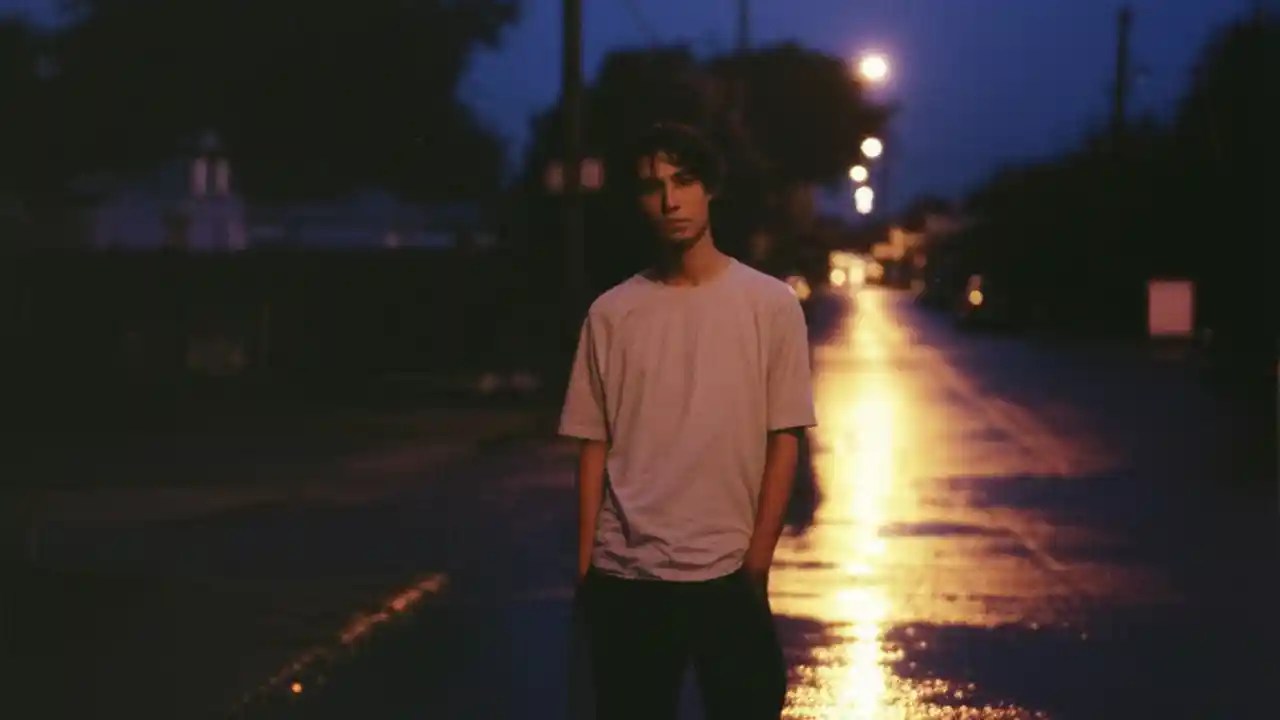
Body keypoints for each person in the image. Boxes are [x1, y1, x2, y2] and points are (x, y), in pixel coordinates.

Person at [559, 122, 817, 720]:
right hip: (626, 576)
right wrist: (586, 574)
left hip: (727, 575)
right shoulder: (612, 312)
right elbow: (593, 446)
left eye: (685, 180)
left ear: (710, 189)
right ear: (638, 199)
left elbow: (784, 442)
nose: (671, 200)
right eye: (653, 186)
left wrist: (755, 565)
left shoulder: (769, 305)